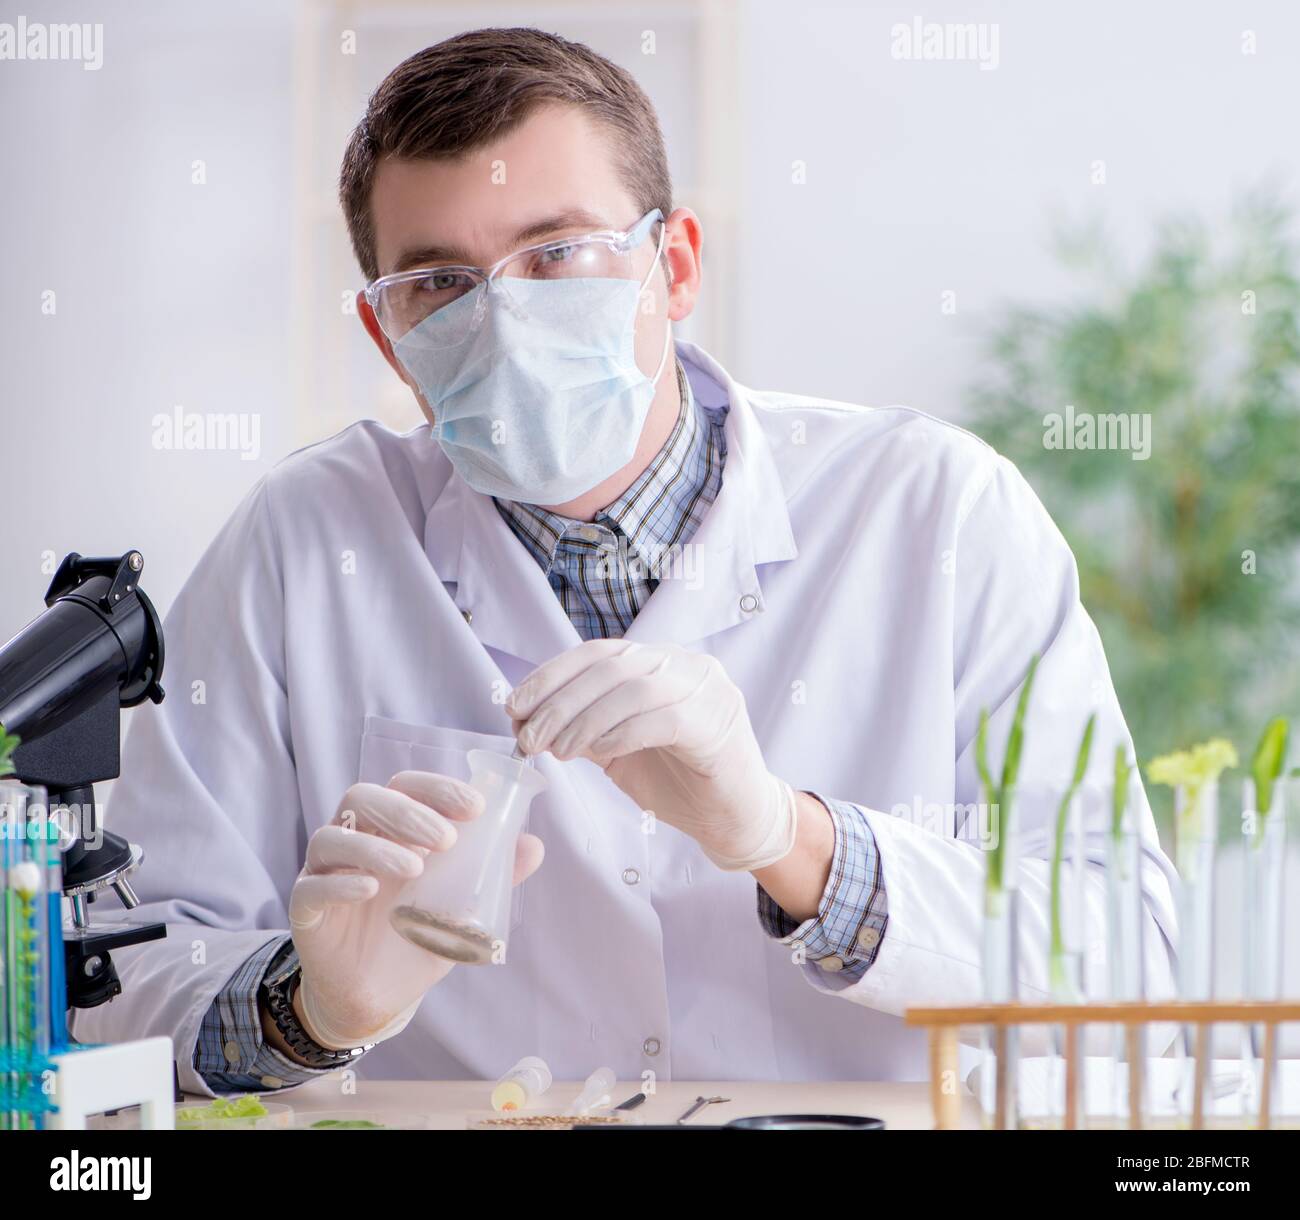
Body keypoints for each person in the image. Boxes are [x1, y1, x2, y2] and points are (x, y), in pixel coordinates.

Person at [72, 27, 1176, 1094]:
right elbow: (116, 973)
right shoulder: (304, 539)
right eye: (441, 284)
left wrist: (788, 838)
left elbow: (1129, 960)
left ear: (673, 264)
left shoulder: (937, 511)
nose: (502, 318)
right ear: (387, 335)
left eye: (555, 253)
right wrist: (309, 1009)